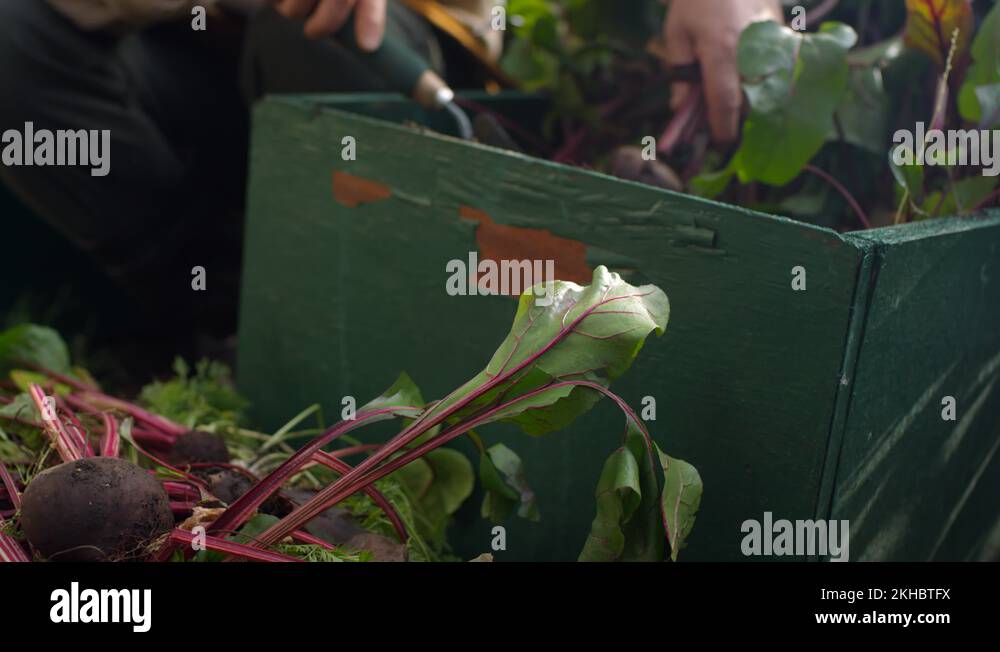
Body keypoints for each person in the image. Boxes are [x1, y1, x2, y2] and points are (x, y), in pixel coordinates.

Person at [0, 0, 781, 333]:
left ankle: (401, 309)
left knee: (311, 28)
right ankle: (224, 314)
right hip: (179, 73)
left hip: (377, 59)